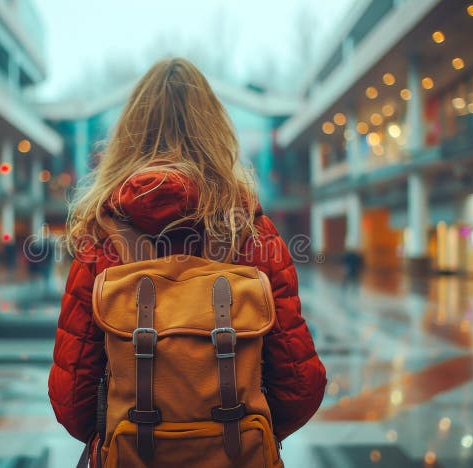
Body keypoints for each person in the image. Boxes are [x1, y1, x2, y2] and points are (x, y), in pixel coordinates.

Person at [48, 58, 326, 464]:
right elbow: (301, 387)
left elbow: (72, 401)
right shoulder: (252, 234)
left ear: (127, 136)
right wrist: (237, 431)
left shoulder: (102, 239)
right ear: (215, 132)